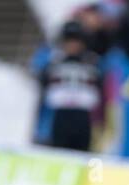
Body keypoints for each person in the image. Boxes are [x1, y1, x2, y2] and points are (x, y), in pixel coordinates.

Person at [39, 20, 105, 151]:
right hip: (60, 115)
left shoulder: (92, 63)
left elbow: (100, 89)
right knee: (59, 151)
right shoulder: (54, 63)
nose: (73, 45)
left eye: (76, 41)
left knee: (81, 152)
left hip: (83, 117)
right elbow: (44, 88)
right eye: (69, 41)